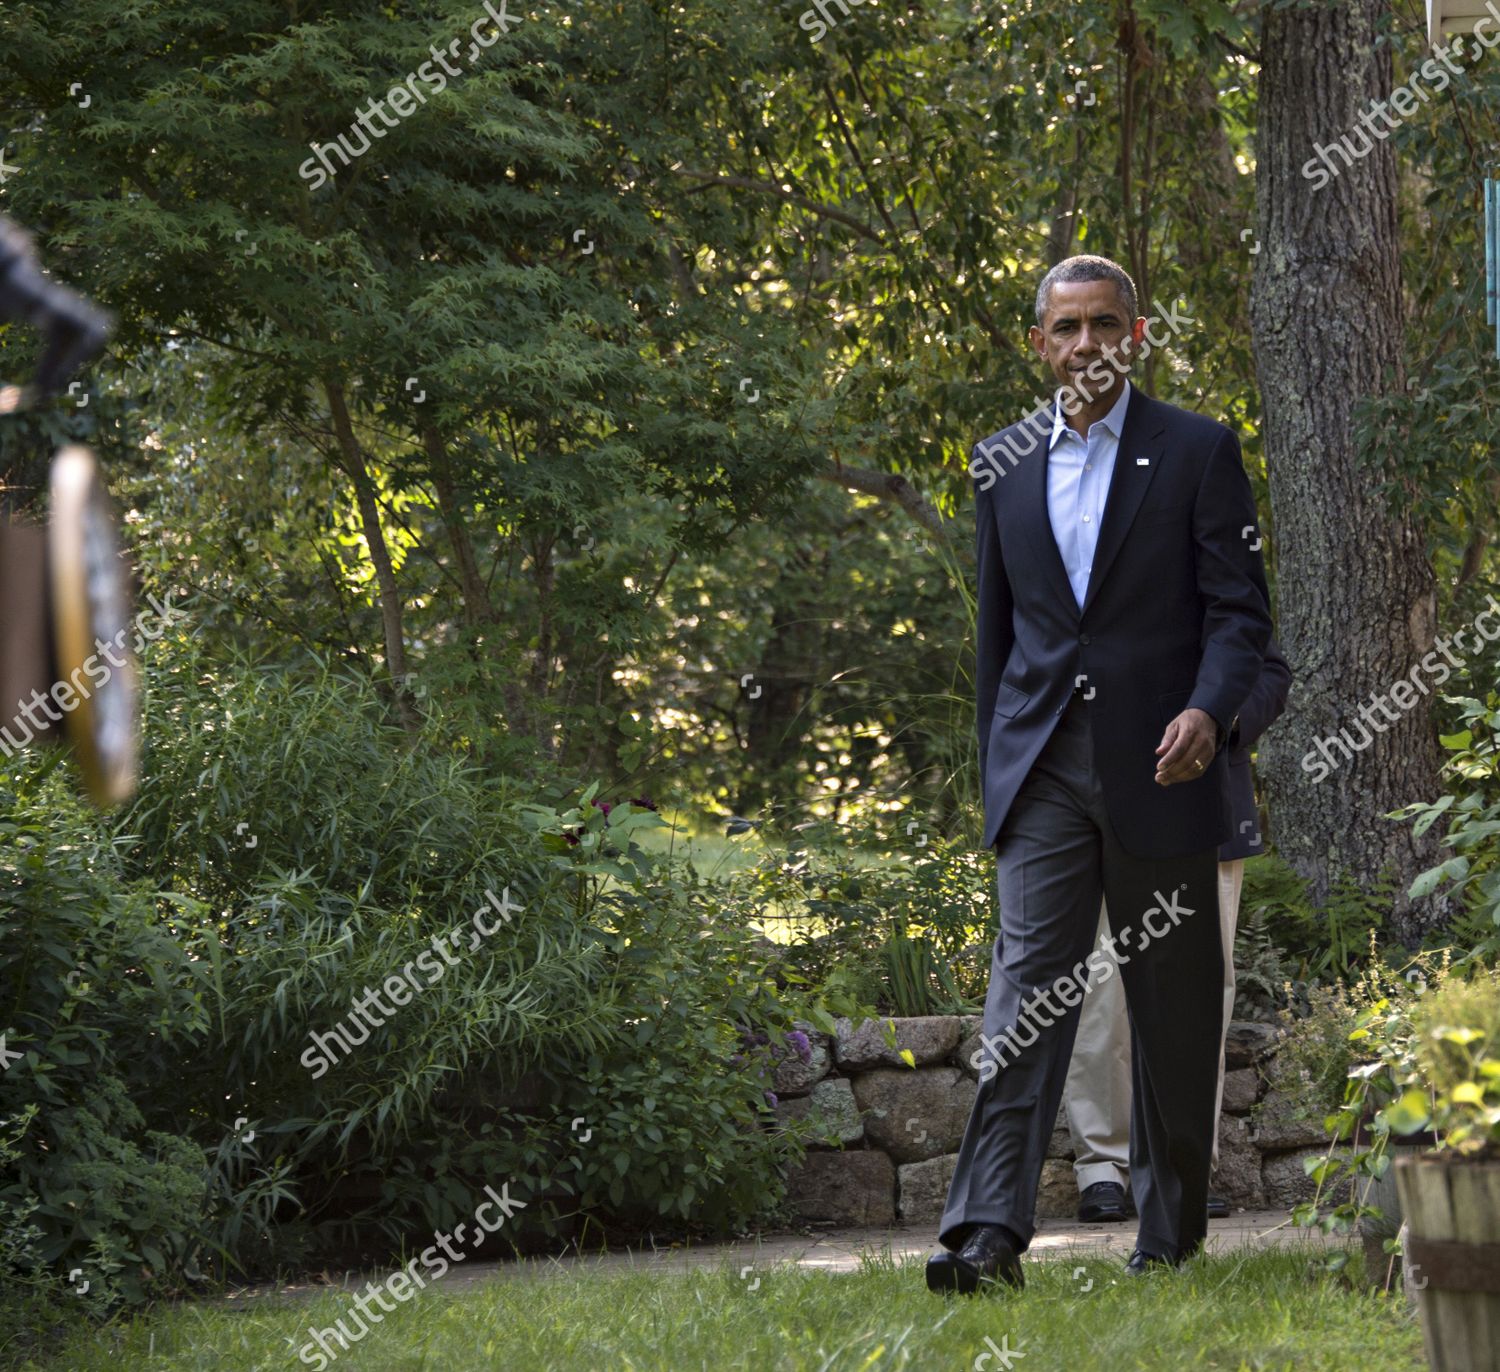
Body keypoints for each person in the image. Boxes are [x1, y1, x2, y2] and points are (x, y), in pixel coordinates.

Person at [927, 254, 1272, 1294]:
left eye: (1104, 325)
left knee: (1169, 1005)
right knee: (1025, 997)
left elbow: (1240, 615)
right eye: (1067, 327)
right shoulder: (1001, 463)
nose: (1086, 344)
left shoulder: (1199, 451)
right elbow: (1000, 639)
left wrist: (1208, 712)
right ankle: (986, 1235)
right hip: (1041, 775)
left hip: (1163, 770)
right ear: (1040, 342)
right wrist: (999, 774)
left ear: (1136, 334)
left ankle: (1167, 1233)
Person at [1065, 638, 1291, 1225]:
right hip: (1104, 801)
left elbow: (1267, 668)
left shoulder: (1213, 555)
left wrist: (1219, 723)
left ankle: (1184, 1162)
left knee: (1198, 990)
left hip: (1207, 798)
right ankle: (1101, 1166)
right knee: (1102, 985)